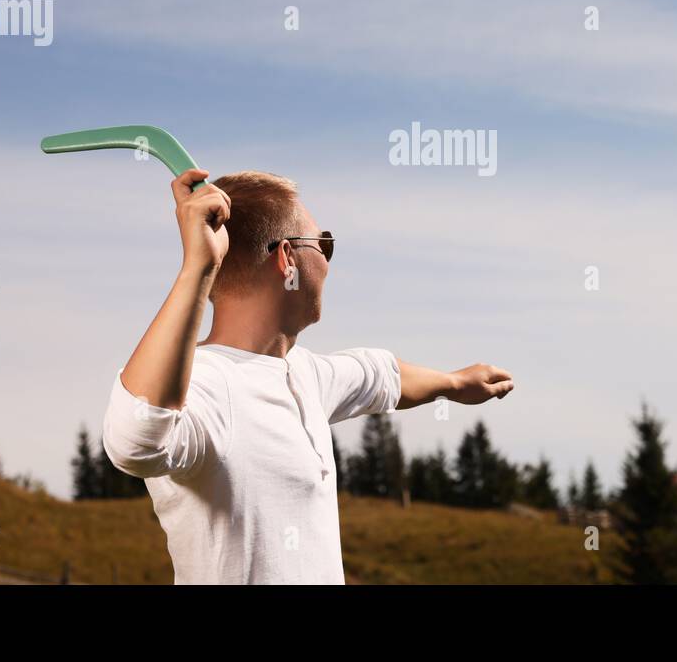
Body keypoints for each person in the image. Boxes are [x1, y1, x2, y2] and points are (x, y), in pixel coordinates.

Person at [103, 168, 514, 583]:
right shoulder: (205, 384)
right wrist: (198, 267)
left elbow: (380, 373)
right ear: (288, 259)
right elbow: (134, 442)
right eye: (324, 245)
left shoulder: (305, 375)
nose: (328, 263)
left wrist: (456, 383)